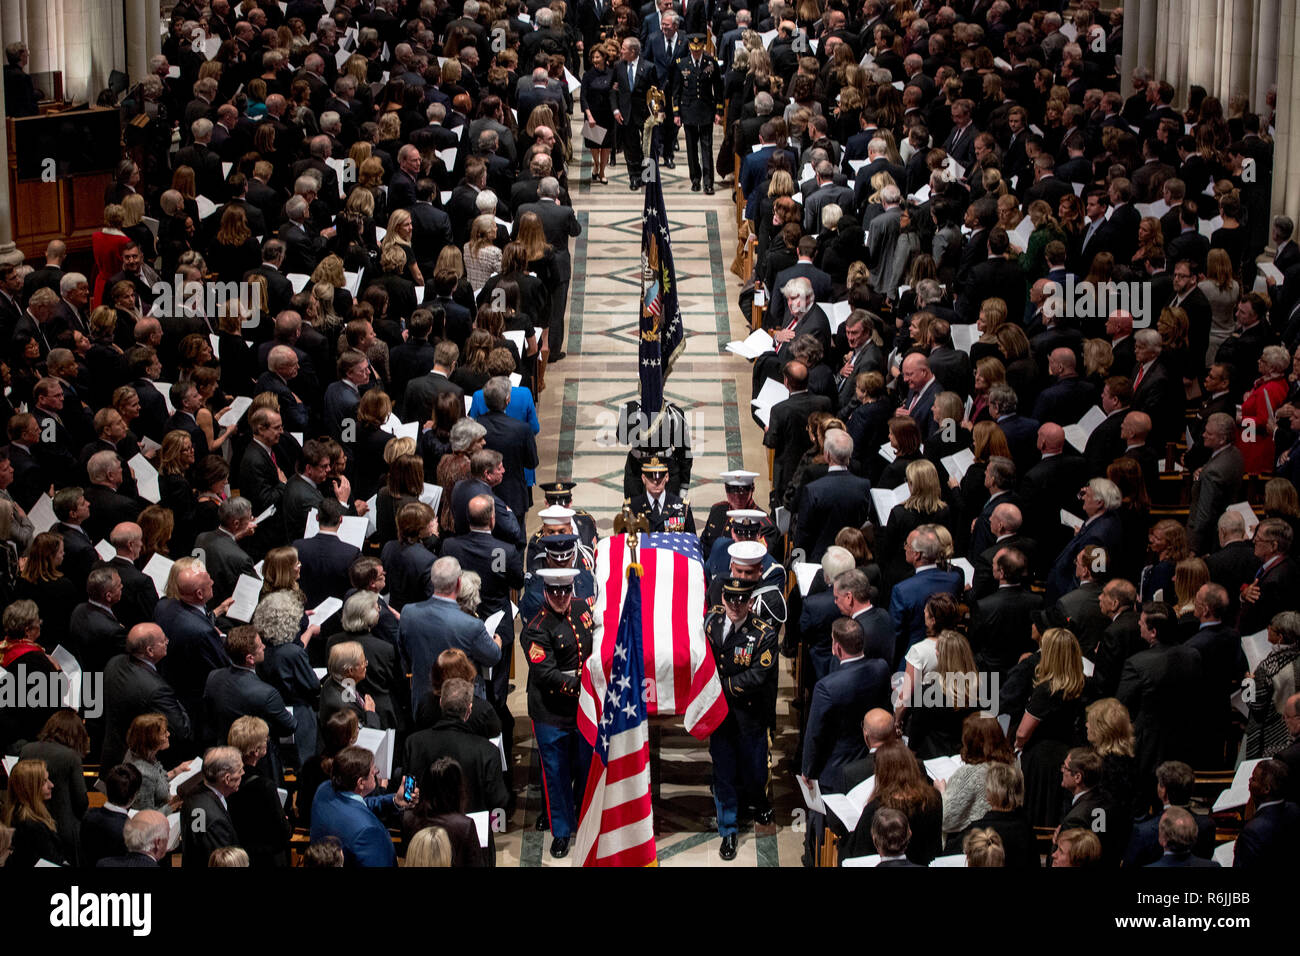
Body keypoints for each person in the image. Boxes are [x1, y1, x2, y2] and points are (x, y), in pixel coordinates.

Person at [521, 567, 594, 859]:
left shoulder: (582, 608)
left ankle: (582, 817)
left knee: (585, 767)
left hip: (582, 710)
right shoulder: (536, 628)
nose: (561, 598)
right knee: (556, 774)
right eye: (554, 592)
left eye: (565, 591)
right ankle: (561, 831)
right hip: (551, 712)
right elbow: (547, 675)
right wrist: (586, 686)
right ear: (546, 592)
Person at [705, 576, 778, 860]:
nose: (734, 605)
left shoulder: (763, 633)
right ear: (722, 599)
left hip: (749, 716)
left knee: (755, 771)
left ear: (750, 602)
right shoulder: (711, 621)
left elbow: (758, 675)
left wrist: (719, 687)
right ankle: (729, 830)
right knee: (723, 771)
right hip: (720, 716)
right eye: (729, 599)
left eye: (741, 600)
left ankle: (758, 802)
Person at [308, 744, 413, 867]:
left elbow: (356, 806)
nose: (376, 772)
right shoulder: (369, 832)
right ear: (361, 783)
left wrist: (395, 801)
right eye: (373, 770)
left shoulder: (324, 790)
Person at [1, 759, 66, 866]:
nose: (51, 785)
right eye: (44, 782)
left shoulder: (13, 815)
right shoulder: (33, 827)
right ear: (30, 788)